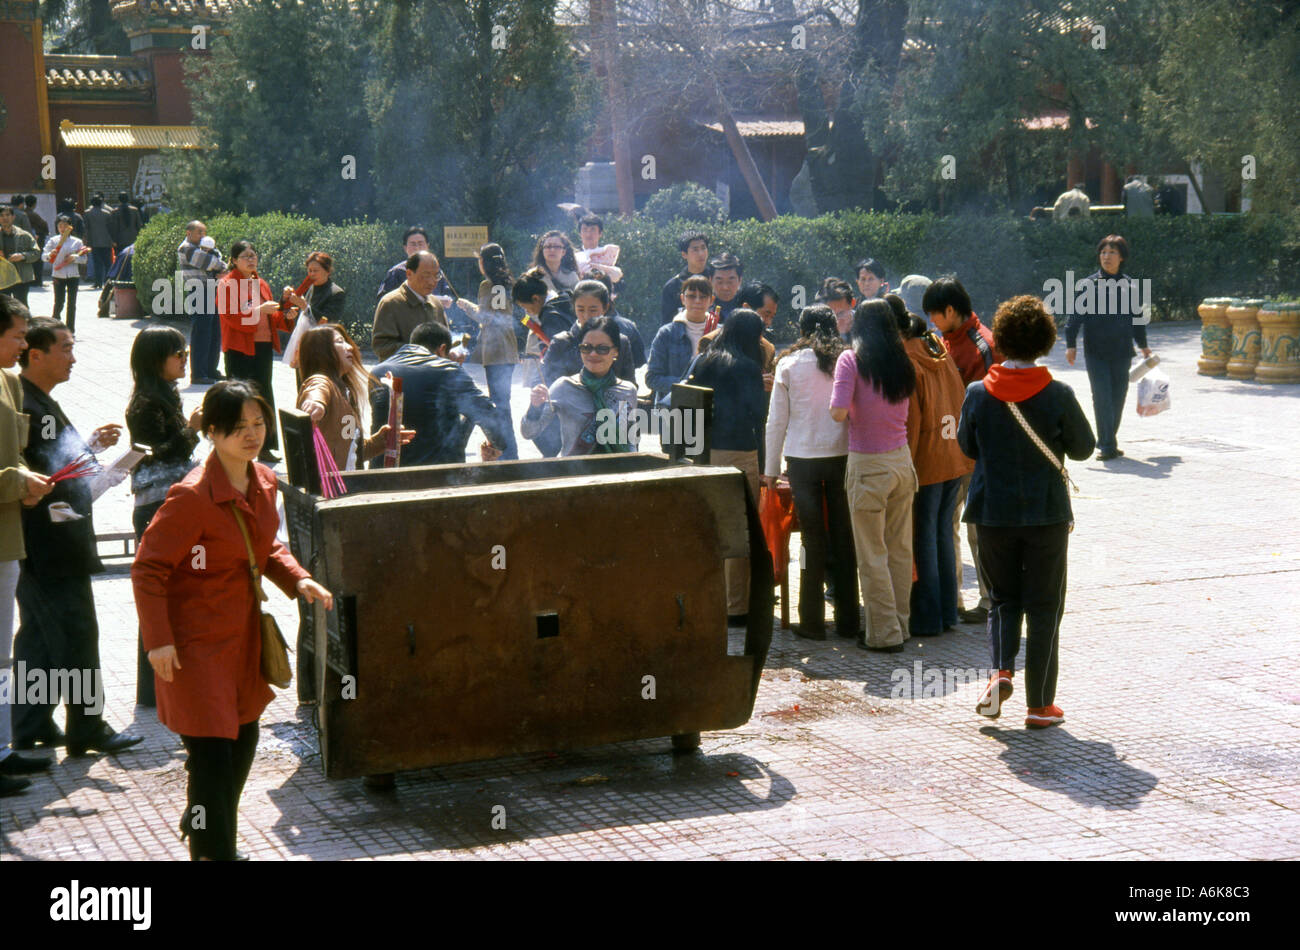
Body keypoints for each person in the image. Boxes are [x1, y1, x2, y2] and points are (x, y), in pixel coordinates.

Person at [133, 381, 334, 860]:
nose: (252, 434)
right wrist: (158, 642)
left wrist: (297, 578)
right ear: (214, 432)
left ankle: (203, 817)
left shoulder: (263, 480)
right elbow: (148, 569)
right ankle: (212, 850)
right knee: (212, 755)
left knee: (243, 740)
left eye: (258, 423)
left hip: (242, 639)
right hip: (195, 646)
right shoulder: (191, 497)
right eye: (238, 427)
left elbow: (264, 547)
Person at [959, 296, 1095, 728]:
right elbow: (1085, 448)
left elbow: (967, 447)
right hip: (1046, 515)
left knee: (1001, 600)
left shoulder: (978, 393)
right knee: (1044, 606)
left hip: (992, 513)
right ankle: (1039, 705)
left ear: (1000, 341)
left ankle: (1000, 672)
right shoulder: (1058, 393)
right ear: (1044, 342)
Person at [13, 318, 142, 756]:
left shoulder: (36, 401)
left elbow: (54, 462)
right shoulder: (27, 405)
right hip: (51, 545)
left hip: (45, 543)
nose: (73, 357)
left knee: (39, 638)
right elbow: (40, 475)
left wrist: (91, 448)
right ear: (37, 354)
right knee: (77, 634)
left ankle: (31, 722)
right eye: (65, 348)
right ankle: (88, 727)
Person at [761, 305, 857, 640]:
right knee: (845, 538)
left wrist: (770, 470)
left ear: (802, 330)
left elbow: (777, 422)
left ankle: (812, 621)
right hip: (843, 456)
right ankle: (849, 621)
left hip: (801, 460)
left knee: (811, 542)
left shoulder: (788, 364)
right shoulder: (849, 359)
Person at [830, 300, 917, 653]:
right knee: (899, 549)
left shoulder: (850, 360)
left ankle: (883, 634)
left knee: (871, 553)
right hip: (901, 462)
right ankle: (902, 624)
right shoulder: (902, 361)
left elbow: (837, 412)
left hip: (868, 464)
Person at [126, 326, 201, 706]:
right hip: (156, 505)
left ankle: (170, 681)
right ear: (157, 360)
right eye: (178, 355)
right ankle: (150, 689)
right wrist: (192, 430)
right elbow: (160, 454)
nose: (184, 361)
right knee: (157, 593)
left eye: (186, 354)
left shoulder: (166, 394)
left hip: (172, 500)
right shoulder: (144, 404)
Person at [890, 294, 973, 637]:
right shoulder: (938, 348)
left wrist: (904, 465)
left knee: (925, 537)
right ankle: (946, 613)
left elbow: (911, 422)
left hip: (925, 459)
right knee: (941, 534)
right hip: (953, 455)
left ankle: (927, 617)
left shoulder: (907, 361)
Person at [0, 298, 54, 795]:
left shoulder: (7, 380)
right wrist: (19, 480)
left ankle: (1, 751)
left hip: (9, 534)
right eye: (17, 335)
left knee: (0, 655)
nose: (23, 345)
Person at [924, 276, 1000, 625]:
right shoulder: (943, 341)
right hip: (950, 449)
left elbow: (992, 404)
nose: (932, 324)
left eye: (935, 316)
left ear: (951, 310)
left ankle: (990, 600)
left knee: (977, 528)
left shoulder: (982, 345)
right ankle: (951, 599)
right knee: (948, 525)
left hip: (979, 453)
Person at [685, 309, 768, 625]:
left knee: (712, 527)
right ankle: (736, 607)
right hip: (739, 453)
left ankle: (709, 597)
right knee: (740, 530)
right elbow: (757, 417)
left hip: (705, 454)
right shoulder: (747, 368)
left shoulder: (705, 360)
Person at [371, 321, 508, 466]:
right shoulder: (448, 370)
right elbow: (488, 414)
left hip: (384, 471)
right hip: (436, 474)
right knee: (471, 407)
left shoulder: (377, 372)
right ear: (442, 349)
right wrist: (496, 446)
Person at [1065, 234, 1152, 462]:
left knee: (1118, 397)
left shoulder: (1129, 286)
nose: (1106, 256)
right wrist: (1070, 344)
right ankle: (1106, 445)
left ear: (1121, 257)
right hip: (1096, 352)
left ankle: (1108, 439)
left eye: (1112, 252)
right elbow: (1074, 317)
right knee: (1102, 397)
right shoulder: (1089, 285)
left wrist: (1143, 346)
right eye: (1103, 252)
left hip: (1122, 352)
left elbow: (1137, 319)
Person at [217, 240, 294, 463]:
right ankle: (234, 445)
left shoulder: (261, 283)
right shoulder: (226, 285)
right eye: (245, 256)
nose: (251, 259)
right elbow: (231, 317)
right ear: (233, 261)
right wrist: (260, 310)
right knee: (239, 398)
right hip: (239, 348)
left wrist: (285, 314)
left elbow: (272, 316)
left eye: (253, 255)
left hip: (262, 346)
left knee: (263, 396)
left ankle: (266, 446)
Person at [297, 325, 411, 471]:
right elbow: (316, 389)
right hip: (329, 488)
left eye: (346, 341)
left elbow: (351, 447)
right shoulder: (322, 382)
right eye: (340, 342)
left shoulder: (344, 393)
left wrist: (379, 441)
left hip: (346, 486)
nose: (349, 347)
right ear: (320, 351)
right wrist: (315, 403)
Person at [521, 316, 637, 458]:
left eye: (602, 348)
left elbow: (630, 440)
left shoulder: (628, 391)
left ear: (616, 352)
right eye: (586, 348)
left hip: (619, 474)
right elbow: (528, 432)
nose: (593, 354)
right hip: (575, 474)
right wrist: (535, 407)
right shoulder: (563, 387)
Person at [453, 243, 520, 459]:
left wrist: (467, 307)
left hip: (496, 351)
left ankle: (508, 453)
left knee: (500, 405)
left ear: (483, 262)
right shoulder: (504, 285)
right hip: (507, 348)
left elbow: (490, 317)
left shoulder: (489, 286)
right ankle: (508, 452)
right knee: (502, 403)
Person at [511, 268, 576, 450]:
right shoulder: (563, 299)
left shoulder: (550, 316)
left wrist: (541, 381)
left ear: (536, 299)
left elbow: (558, 356)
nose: (528, 312)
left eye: (527, 308)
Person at [541, 280, 637, 387]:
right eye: (580, 310)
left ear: (605, 307)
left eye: (593, 310)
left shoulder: (620, 342)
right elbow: (542, 381)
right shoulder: (562, 342)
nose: (586, 316)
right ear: (574, 307)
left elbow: (629, 384)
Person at [647, 273, 714, 409]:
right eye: (691, 296)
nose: (697, 301)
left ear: (711, 300)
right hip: (673, 410)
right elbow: (652, 378)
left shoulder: (719, 333)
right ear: (682, 299)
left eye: (703, 297)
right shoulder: (667, 333)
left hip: (710, 408)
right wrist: (685, 384)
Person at [372, 250, 449, 362]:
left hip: (433, 374)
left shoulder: (436, 304)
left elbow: (445, 341)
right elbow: (381, 347)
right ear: (409, 274)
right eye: (426, 275)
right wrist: (419, 352)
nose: (432, 282)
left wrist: (451, 353)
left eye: (436, 275)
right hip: (401, 376)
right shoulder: (391, 303)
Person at [178, 220, 226, 384]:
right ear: (188, 233)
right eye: (199, 232)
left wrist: (219, 266)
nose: (202, 236)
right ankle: (198, 374)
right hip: (198, 291)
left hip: (211, 290)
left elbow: (219, 263)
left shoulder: (201, 249)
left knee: (214, 332)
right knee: (201, 333)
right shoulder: (186, 248)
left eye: (204, 232)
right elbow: (212, 262)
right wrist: (219, 266)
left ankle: (211, 370)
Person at [376, 227, 455, 301]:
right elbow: (384, 300)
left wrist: (447, 301)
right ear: (405, 248)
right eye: (413, 244)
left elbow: (448, 295)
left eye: (420, 244)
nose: (417, 248)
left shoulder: (437, 272)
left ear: (428, 246)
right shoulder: (397, 272)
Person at [42, 215, 90, 330]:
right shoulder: (53, 241)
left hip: (73, 275)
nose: (62, 228)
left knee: (71, 304)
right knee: (59, 301)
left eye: (65, 226)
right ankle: (54, 325)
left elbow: (84, 259)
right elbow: (43, 256)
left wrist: (74, 258)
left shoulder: (77, 242)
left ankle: (70, 328)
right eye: (60, 226)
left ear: (70, 227)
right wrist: (50, 255)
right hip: (58, 274)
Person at [660, 230, 712, 325]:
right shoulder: (673, 286)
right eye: (695, 249)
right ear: (684, 254)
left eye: (703, 248)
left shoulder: (717, 280)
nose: (701, 253)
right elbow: (667, 324)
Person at [0, 206, 39, 308]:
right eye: (1, 215)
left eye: (7, 215)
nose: (5, 218)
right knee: (3, 308)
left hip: (20, 277)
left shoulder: (24, 235)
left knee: (21, 306)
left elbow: (36, 253)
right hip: (2, 278)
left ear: (13, 217)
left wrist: (23, 256)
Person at [82, 195, 114, 289]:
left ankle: (98, 282)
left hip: (94, 241)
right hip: (106, 241)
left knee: (97, 263)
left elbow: (86, 228)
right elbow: (111, 228)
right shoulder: (107, 213)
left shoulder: (87, 213)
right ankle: (108, 281)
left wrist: (86, 239)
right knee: (108, 262)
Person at [708, 252, 744, 324]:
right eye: (720, 282)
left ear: (740, 280)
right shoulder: (702, 308)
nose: (725, 288)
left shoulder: (749, 308)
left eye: (730, 282)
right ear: (710, 280)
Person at [24, 197, 49, 290]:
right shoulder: (32, 214)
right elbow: (43, 224)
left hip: (25, 241)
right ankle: (37, 280)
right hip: (36, 239)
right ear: (34, 204)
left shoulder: (24, 213)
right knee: (38, 260)